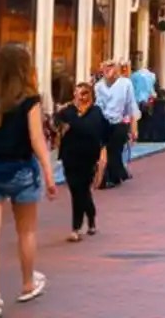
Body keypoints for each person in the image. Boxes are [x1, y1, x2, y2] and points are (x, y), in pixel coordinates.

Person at [0, 43, 56, 317]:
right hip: (22, 169)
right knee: (27, 232)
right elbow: (36, 139)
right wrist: (49, 172)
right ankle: (28, 283)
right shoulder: (30, 99)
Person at [56, 80, 107, 241]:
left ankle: (84, 222)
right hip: (69, 157)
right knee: (75, 190)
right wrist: (62, 123)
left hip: (88, 157)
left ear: (90, 95)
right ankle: (79, 226)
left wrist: (102, 157)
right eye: (77, 93)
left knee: (83, 190)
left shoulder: (96, 112)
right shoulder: (69, 111)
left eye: (84, 93)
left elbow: (96, 132)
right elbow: (55, 121)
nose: (81, 97)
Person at [94, 60, 139, 188]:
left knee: (114, 150)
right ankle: (109, 177)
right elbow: (97, 106)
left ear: (117, 69)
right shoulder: (98, 86)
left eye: (111, 66)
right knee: (103, 152)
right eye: (105, 67)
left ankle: (113, 176)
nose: (108, 69)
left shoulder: (126, 84)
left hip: (119, 122)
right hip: (103, 123)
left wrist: (134, 127)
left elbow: (131, 105)